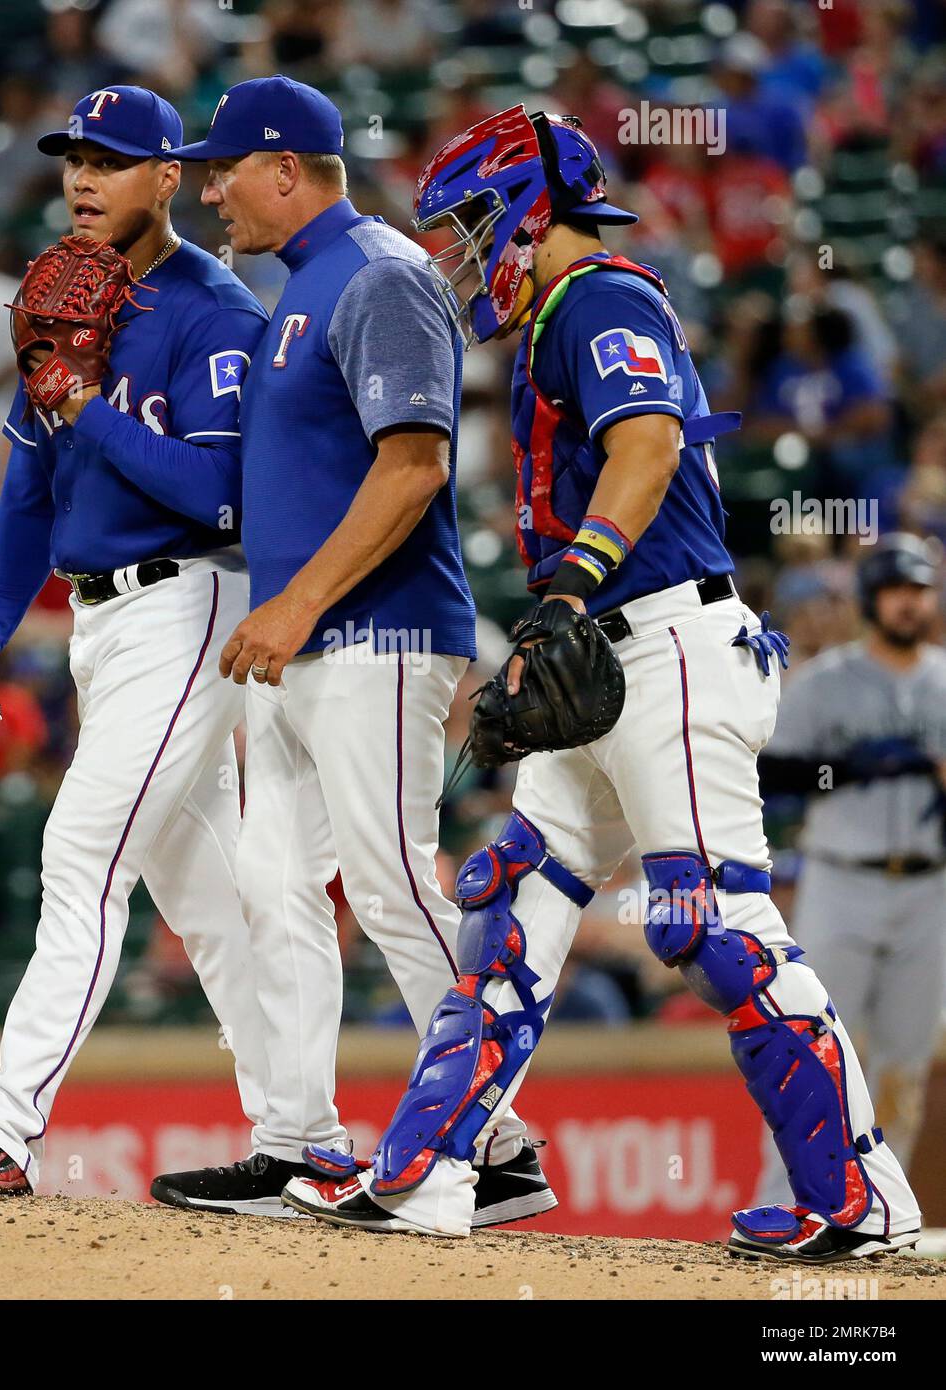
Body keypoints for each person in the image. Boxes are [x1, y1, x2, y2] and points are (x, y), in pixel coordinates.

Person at [282, 105, 922, 1261]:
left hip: (664, 646)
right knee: (512, 906)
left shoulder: (601, 296)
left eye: (470, 225)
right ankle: (424, 1172)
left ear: (527, 203)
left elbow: (647, 444)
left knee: (713, 926)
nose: (459, 256)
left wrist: (567, 588)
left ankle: (861, 1200)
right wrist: (569, 608)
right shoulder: (559, 318)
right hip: (609, 652)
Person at [150, 76, 552, 1226]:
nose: (210, 187)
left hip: (373, 637)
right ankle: (295, 1142)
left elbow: (415, 463)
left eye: (223, 167)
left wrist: (295, 605)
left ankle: (495, 1135)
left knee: (387, 882)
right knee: (274, 886)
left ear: (287, 168)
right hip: (298, 647)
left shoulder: (377, 271)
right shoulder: (304, 285)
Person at [0, 85, 271, 1197]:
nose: (83, 178)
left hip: (188, 604)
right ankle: (302, 1136)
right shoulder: (61, 298)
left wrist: (85, 403)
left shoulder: (213, 311)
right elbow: (29, 489)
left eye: (111, 161)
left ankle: (0, 1128)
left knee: (80, 856)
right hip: (97, 620)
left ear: (167, 178)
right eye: (75, 157)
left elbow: (223, 498)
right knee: (208, 903)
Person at [754, 533, 946, 1202]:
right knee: (808, 1045)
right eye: (896, 590)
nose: (908, 603)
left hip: (929, 887)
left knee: (902, 1065)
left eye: (918, 590)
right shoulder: (824, 681)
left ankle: (878, 1209)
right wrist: (853, 768)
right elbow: (770, 771)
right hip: (840, 879)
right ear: (871, 598)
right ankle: (782, 1200)